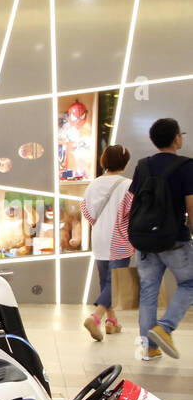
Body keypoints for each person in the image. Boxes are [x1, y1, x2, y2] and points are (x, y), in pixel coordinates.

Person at [116, 117, 193, 359]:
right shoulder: (186, 166)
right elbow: (191, 206)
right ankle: (165, 327)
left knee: (148, 291)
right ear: (176, 138)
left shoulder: (143, 165)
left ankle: (149, 347)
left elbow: (133, 201)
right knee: (190, 283)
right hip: (174, 238)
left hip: (144, 240)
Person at [81, 144, 133, 341]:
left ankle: (112, 322)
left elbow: (86, 211)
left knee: (106, 282)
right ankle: (96, 317)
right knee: (116, 283)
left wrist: (100, 223)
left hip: (99, 237)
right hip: (119, 237)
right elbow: (132, 212)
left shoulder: (93, 184)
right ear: (125, 162)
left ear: (104, 161)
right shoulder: (128, 185)